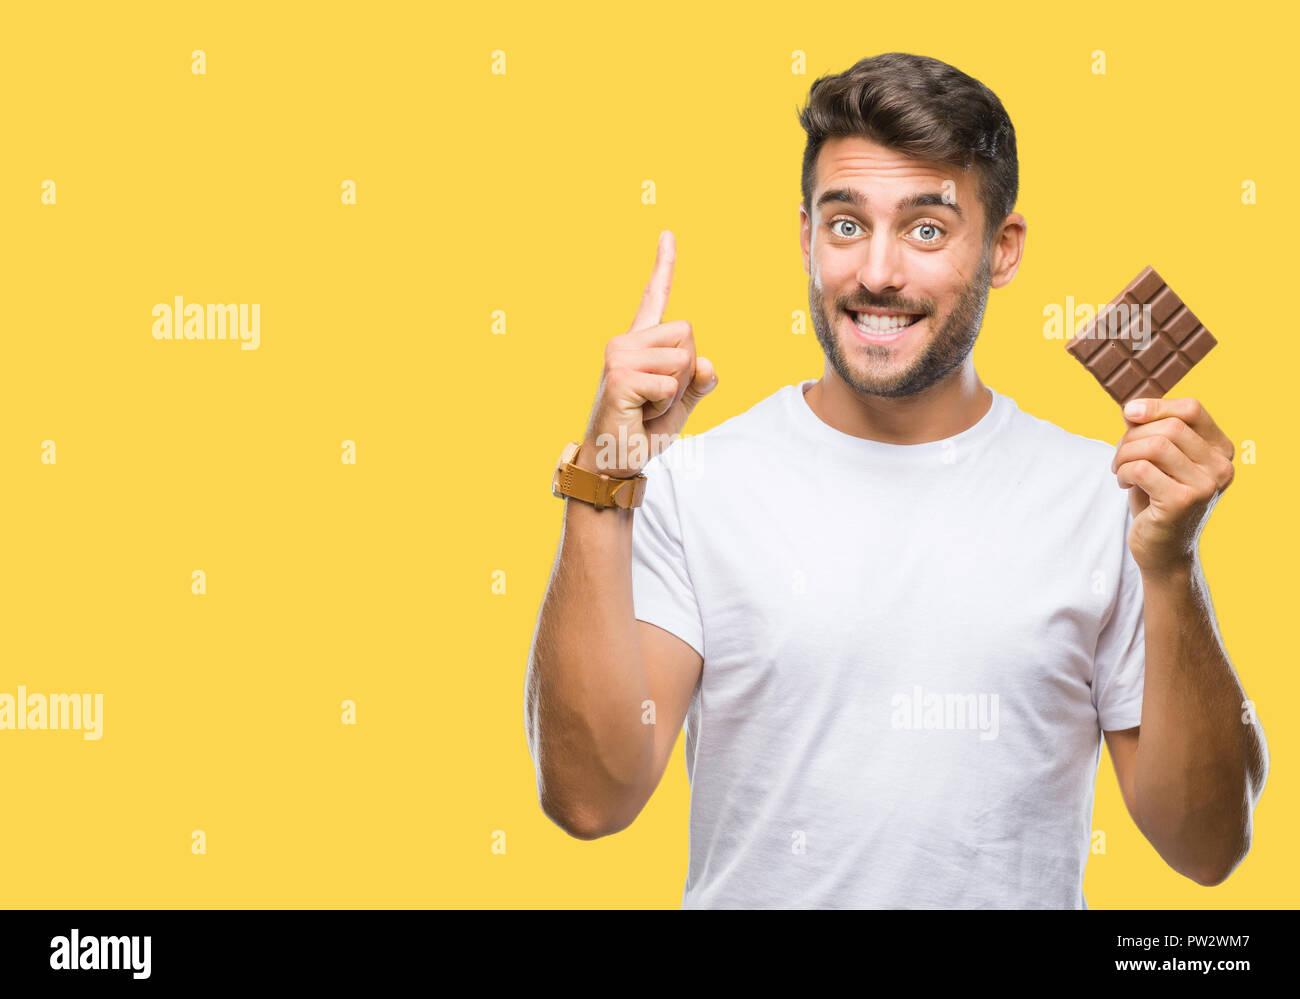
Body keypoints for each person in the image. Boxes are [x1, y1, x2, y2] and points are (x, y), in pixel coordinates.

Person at [524, 52, 1267, 908]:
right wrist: (601, 476)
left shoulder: (1106, 500)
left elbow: (1208, 846)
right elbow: (589, 799)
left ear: (1002, 249)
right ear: (806, 236)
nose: (877, 272)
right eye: (846, 224)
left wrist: (1172, 564)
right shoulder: (692, 485)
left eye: (925, 228)